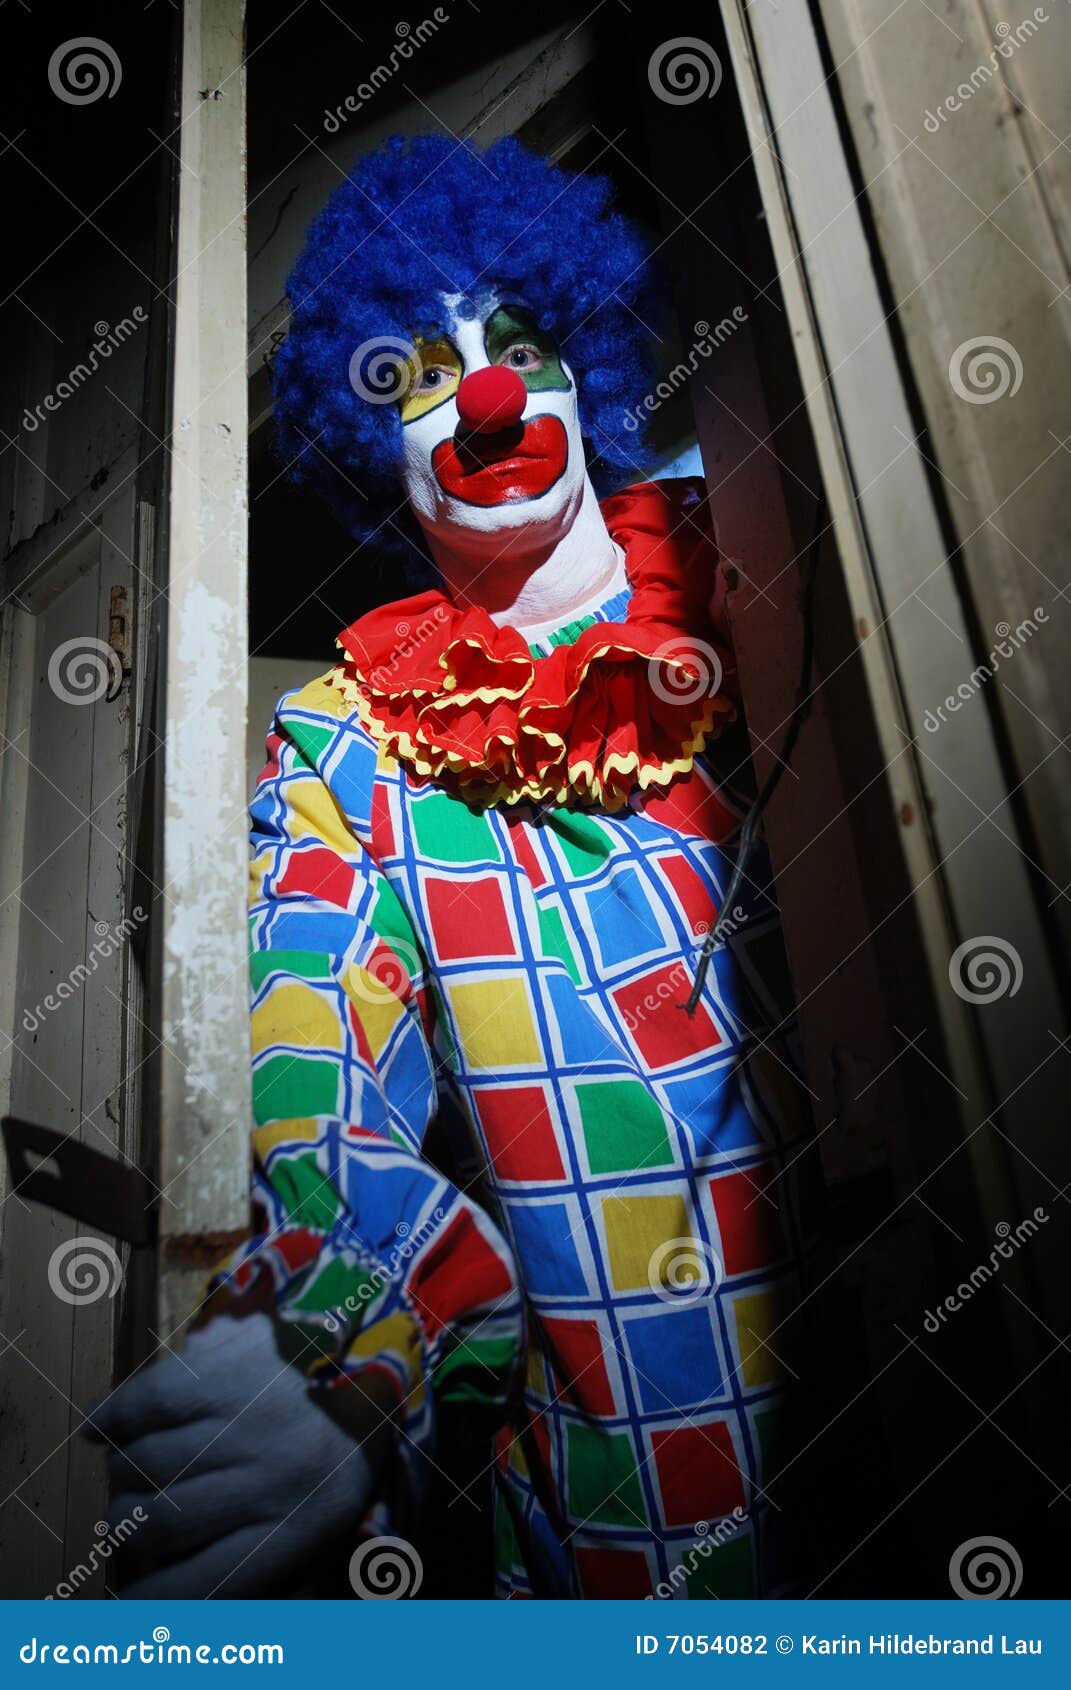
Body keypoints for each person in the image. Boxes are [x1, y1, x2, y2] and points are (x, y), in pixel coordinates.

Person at [87, 133, 816, 1599]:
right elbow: (315, 1050)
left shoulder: (769, 565)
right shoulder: (350, 745)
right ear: (380, 441)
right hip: (613, 1549)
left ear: (583, 370)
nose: (487, 394)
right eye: (423, 372)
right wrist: (329, 1352)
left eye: (520, 345)